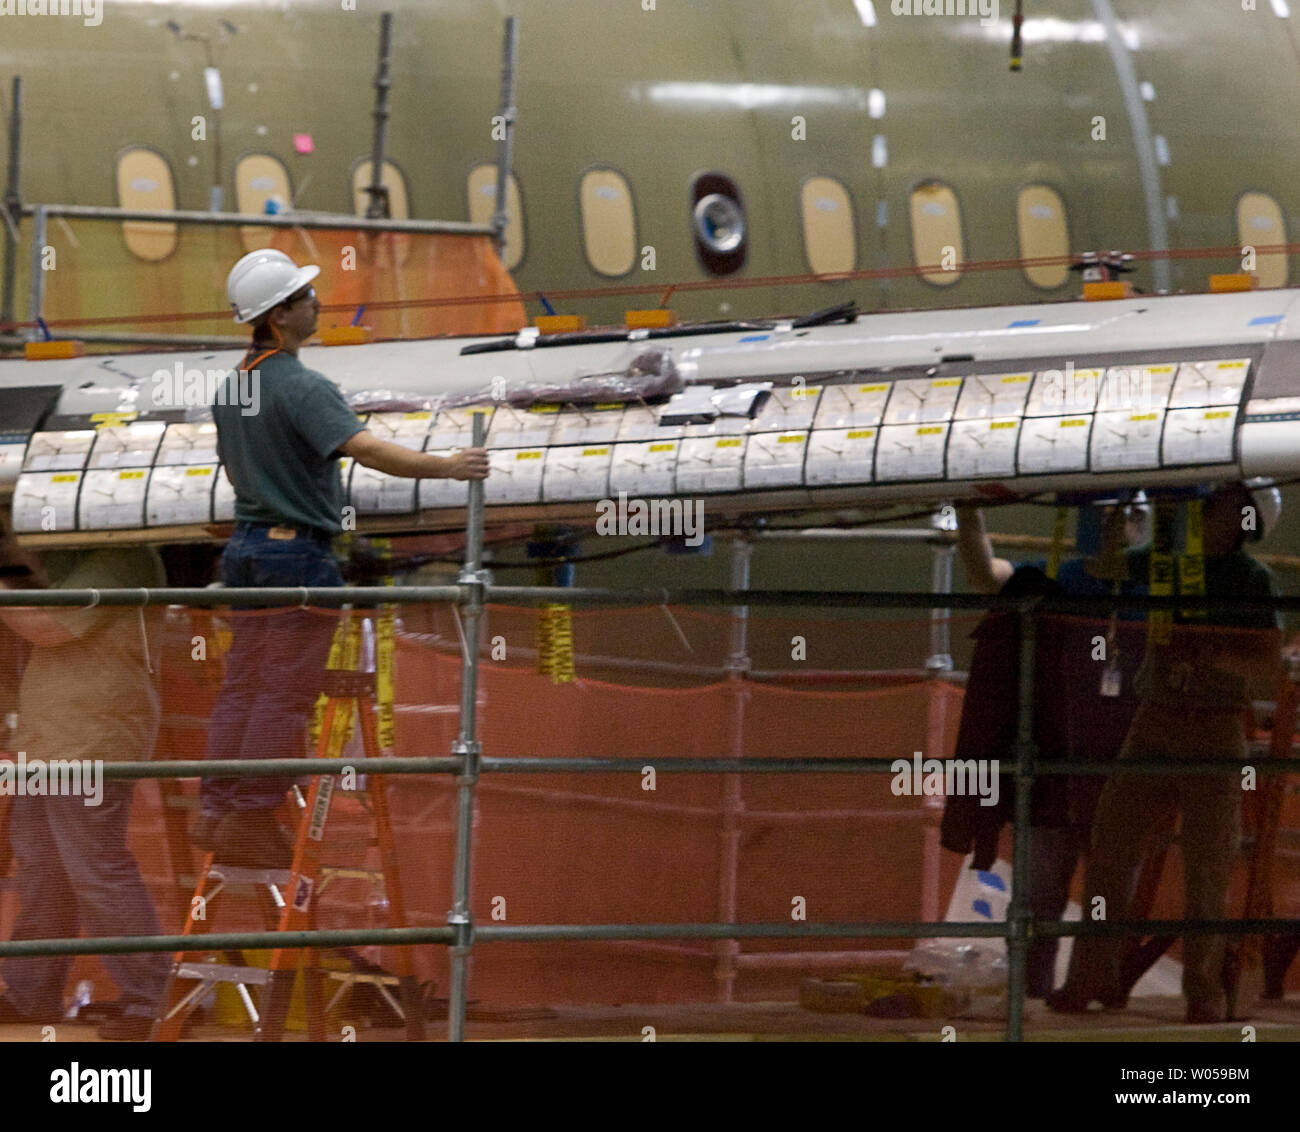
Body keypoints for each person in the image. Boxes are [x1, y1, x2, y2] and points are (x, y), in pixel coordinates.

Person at [198, 250, 490, 867]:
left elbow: (243, 469)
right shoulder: (302, 386)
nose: (316, 304)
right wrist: (448, 466)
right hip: (296, 558)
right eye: (305, 297)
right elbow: (364, 449)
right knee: (282, 695)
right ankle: (252, 818)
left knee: (243, 687)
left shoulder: (233, 388)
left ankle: (218, 807)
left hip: (246, 552)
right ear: (278, 316)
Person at [1048, 482, 1284, 1023]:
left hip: (1213, 727)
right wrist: (1117, 510)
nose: (1204, 511)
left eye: (1219, 503)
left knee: (1207, 867)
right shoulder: (1165, 561)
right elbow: (1105, 568)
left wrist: (1206, 648)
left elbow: (1267, 660)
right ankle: (1088, 977)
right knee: (1110, 845)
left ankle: (1203, 993)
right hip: (1154, 718)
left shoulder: (1252, 580)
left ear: (1245, 517)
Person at [947, 500, 1148, 998]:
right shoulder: (1050, 579)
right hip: (1055, 772)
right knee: (1038, 900)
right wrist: (969, 515)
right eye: (1102, 513)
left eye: (1125, 513)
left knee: (1109, 900)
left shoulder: (1156, 591)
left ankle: (1088, 993)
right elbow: (986, 574)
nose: (1112, 523)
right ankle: (1030, 1001)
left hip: (1124, 774)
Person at [0, 526, 169, 1041]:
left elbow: (52, 626)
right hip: (46, 741)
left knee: (96, 870)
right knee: (45, 874)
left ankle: (146, 1001)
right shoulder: (71, 560)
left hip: (90, 741)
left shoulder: (121, 555)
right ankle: (30, 992)